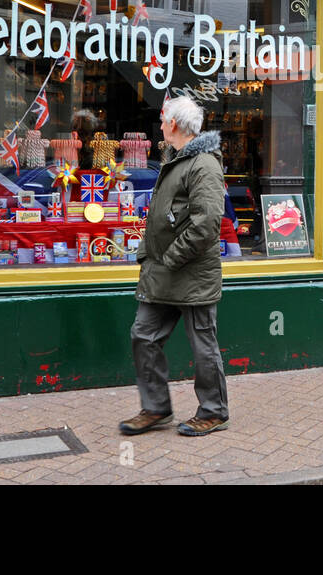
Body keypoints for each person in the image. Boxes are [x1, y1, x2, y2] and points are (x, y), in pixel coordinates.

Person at [120, 96, 229, 437]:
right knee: (144, 336)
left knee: (202, 345)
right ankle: (156, 408)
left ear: (176, 125)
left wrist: (168, 257)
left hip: (190, 271)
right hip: (163, 270)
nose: (162, 124)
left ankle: (213, 412)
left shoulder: (204, 165)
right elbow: (161, 216)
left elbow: (207, 223)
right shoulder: (178, 160)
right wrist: (146, 252)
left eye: (165, 119)